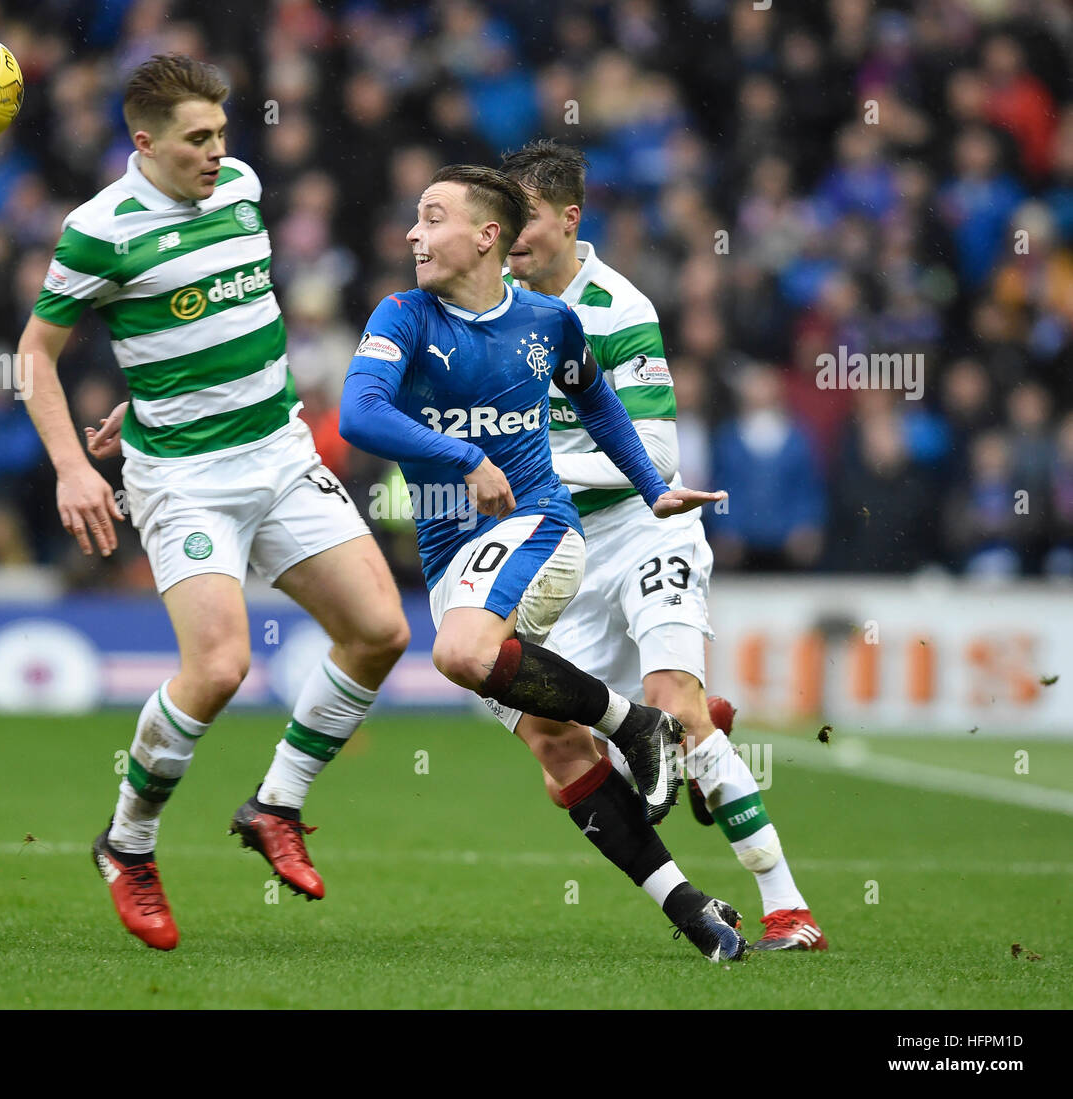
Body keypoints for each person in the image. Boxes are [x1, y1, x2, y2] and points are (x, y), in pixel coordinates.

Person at [18, 55, 410, 951]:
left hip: (279, 452)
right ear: (143, 142)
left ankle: (276, 802)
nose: (218, 152)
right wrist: (72, 468)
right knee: (221, 665)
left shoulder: (240, 187)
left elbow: (217, 318)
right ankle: (128, 843)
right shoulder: (98, 231)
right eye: (197, 138)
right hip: (186, 480)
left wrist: (154, 388)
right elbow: (32, 355)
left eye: (223, 134)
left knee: (382, 629)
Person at [339, 163, 747, 961]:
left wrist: (651, 485)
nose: (412, 234)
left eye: (431, 217)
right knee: (558, 749)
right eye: (414, 219)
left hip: (537, 522)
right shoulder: (403, 317)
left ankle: (635, 725)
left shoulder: (547, 321)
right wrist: (460, 456)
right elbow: (359, 412)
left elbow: (596, 399)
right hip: (450, 550)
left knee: (459, 654)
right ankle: (690, 904)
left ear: (486, 236)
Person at [503, 139, 827, 952]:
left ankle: (788, 908)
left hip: (646, 526)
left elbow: (660, 453)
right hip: (560, 551)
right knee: (567, 768)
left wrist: (522, 463)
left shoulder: (620, 307)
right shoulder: (491, 308)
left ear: (570, 219)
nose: (508, 235)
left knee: (677, 706)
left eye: (526, 217)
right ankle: (682, 744)